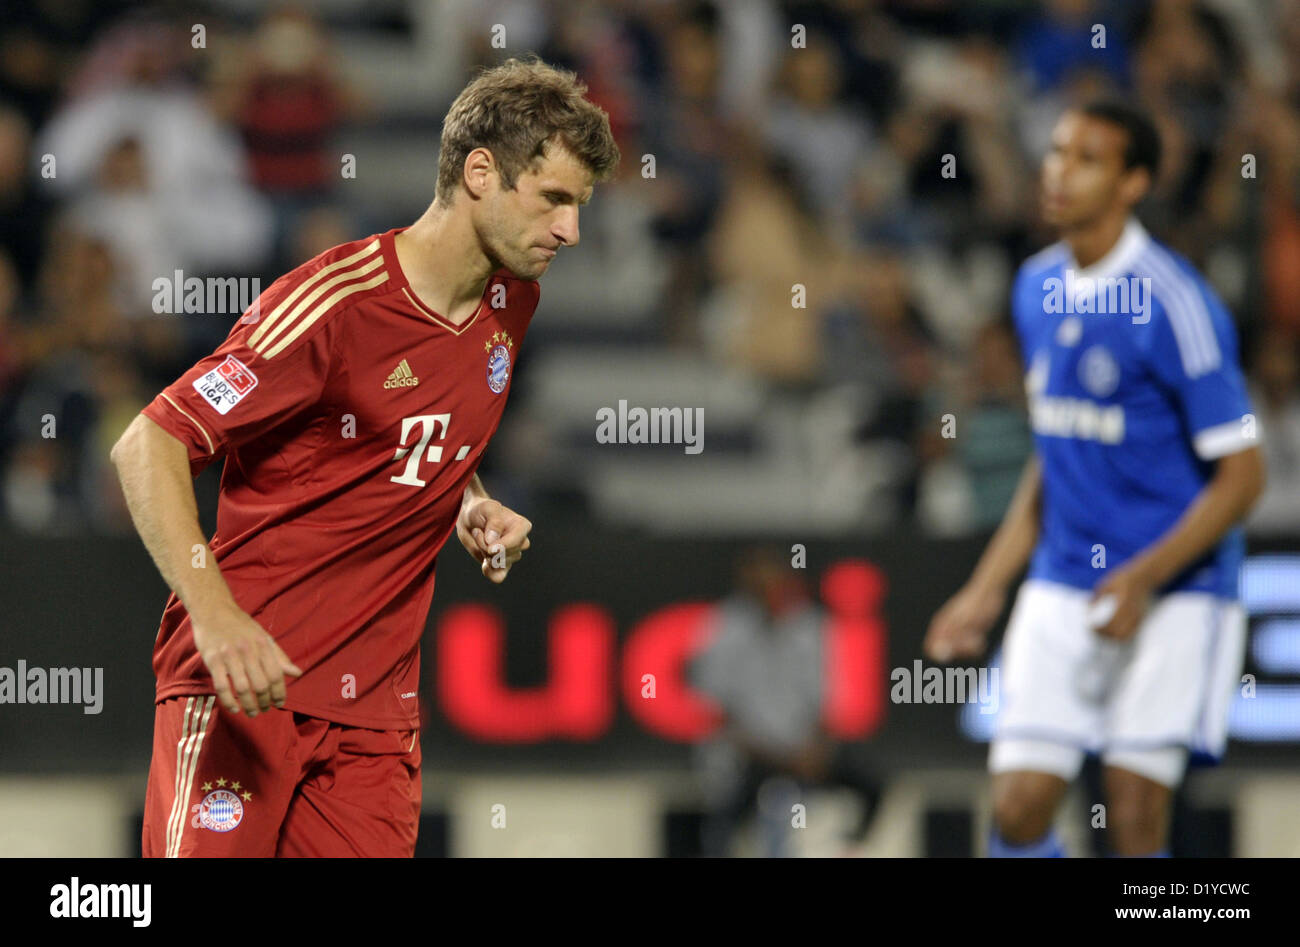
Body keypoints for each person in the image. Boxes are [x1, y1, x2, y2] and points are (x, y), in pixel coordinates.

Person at [110, 57, 619, 857]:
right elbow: (150, 441)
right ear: (480, 172)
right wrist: (216, 619)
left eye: (579, 207)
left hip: (375, 723)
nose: (570, 231)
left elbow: (415, 428)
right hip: (250, 684)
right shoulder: (334, 307)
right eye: (555, 198)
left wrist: (468, 499)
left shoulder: (511, 298)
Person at [924, 101, 1265, 858]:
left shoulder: (1177, 304)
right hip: (1062, 582)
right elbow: (1055, 452)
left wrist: (1143, 578)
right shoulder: (1034, 288)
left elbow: (1243, 477)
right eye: (1055, 152)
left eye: (1087, 159)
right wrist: (986, 588)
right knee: (1015, 809)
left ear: (1134, 181)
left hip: (1174, 591)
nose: (1060, 172)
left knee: (1135, 822)